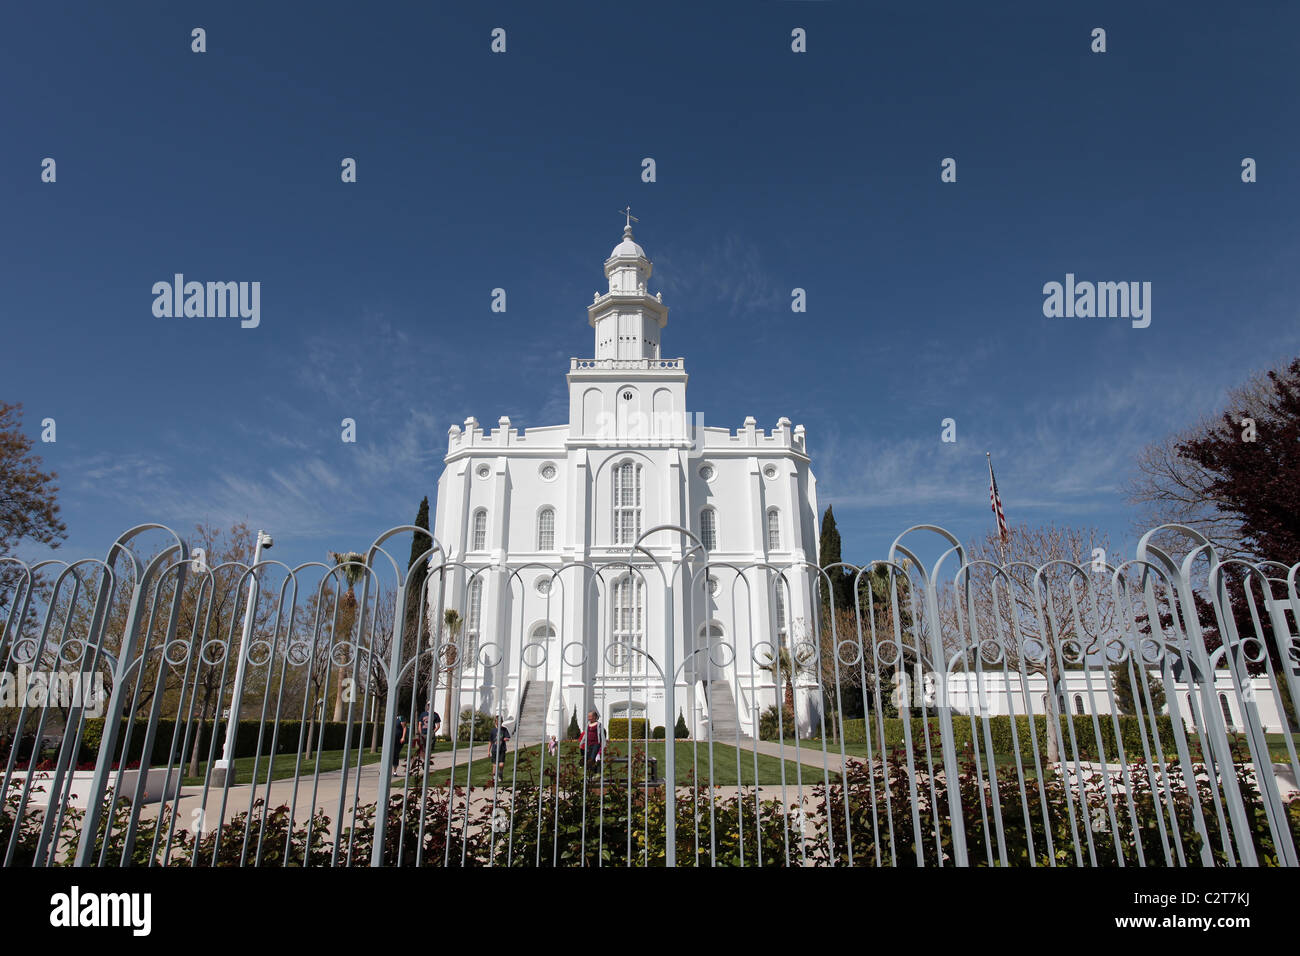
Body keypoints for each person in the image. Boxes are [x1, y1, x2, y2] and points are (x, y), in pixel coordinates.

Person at [489, 716, 511, 785]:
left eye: (500, 722)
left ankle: (500, 773)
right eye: (497, 721)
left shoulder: (504, 729)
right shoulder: (493, 731)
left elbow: (508, 737)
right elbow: (490, 741)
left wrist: (505, 739)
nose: (499, 723)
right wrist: (488, 751)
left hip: (502, 749)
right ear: (495, 722)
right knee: (495, 765)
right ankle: (493, 777)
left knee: (501, 764)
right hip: (494, 750)